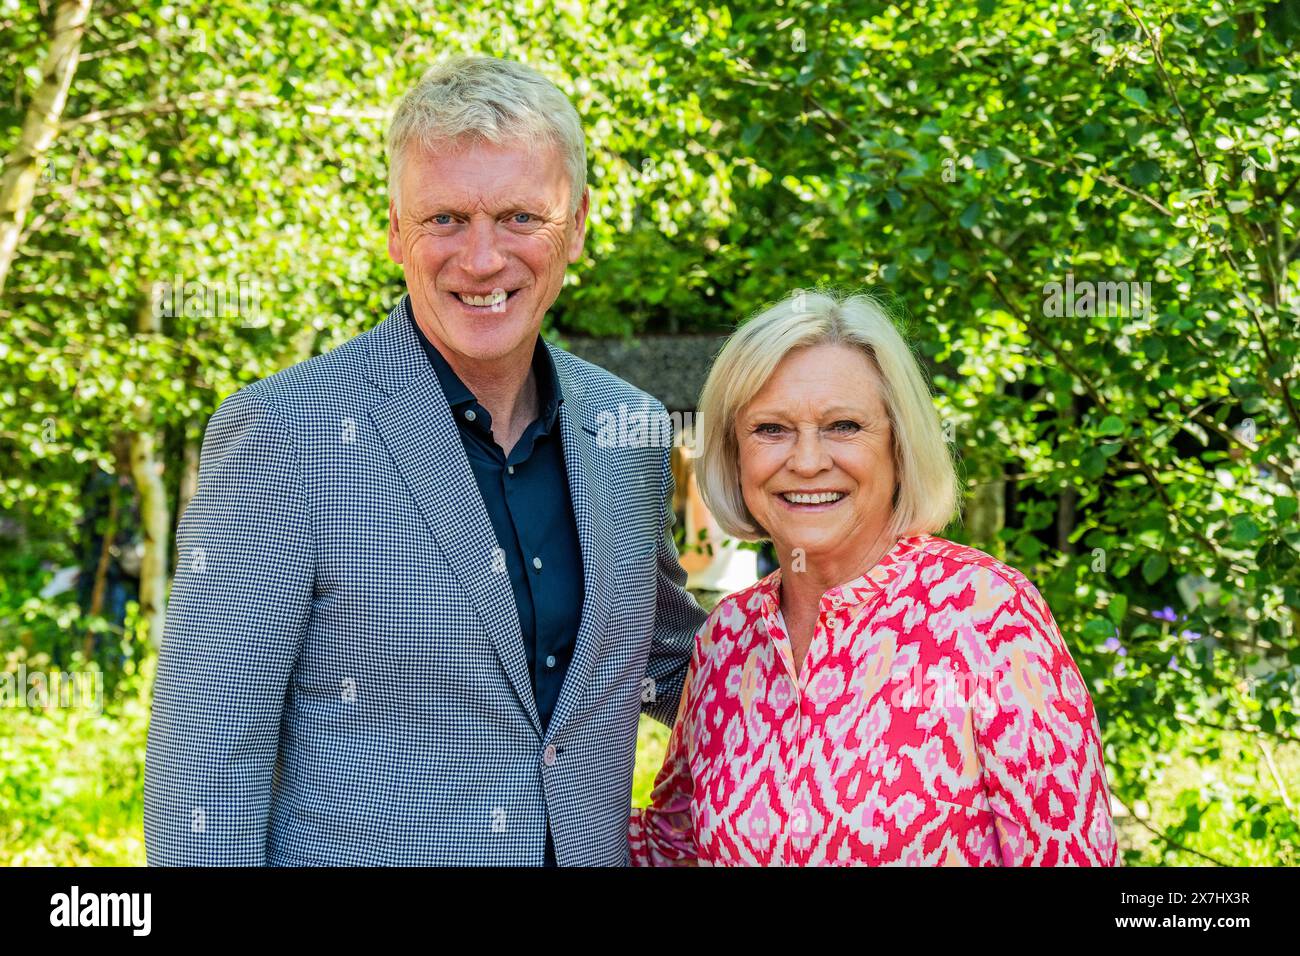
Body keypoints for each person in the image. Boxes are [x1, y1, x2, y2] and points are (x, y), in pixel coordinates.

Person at [144, 55, 705, 866]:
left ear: (577, 225)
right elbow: (205, 754)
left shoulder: (629, 431)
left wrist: (878, 639)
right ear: (395, 231)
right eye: (445, 219)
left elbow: (664, 658)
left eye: (520, 217)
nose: (482, 259)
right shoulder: (283, 432)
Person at [629, 289, 1119, 866]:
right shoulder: (729, 638)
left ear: (899, 444)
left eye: (843, 426)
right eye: (770, 429)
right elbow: (672, 847)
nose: (807, 461)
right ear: (734, 454)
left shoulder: (988, 615)